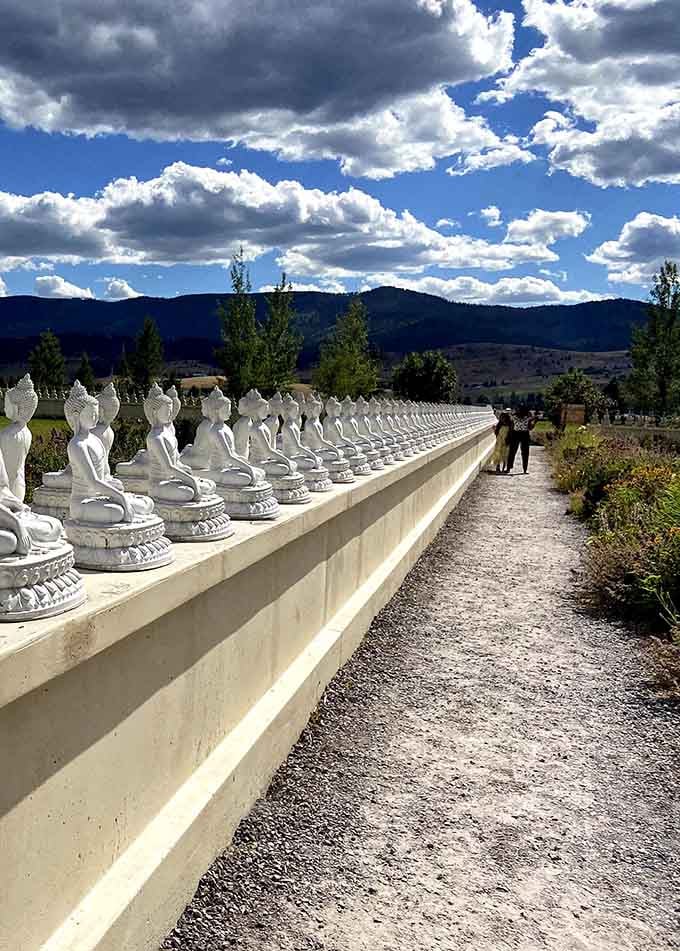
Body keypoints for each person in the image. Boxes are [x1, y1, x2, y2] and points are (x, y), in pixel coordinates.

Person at [507, 405, 536, 474]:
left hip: (515, 434)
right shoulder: (528, 418)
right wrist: (534, 422)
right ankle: (525, 469)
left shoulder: (514, 417)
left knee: (512, 452)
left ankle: (508, 468)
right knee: (525, 453)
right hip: (524, 434)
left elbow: (511, 427)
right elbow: (530, 428)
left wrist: (509, 435)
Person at [490, 409, 513, 473]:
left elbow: (511, 433)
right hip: (500, 441)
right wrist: (494, 429)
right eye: (501, 417)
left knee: (505, 454)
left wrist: (508, 440)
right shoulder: (500, 424)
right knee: (499, 454)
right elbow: (496, 433)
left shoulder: (509, 424)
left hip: (506, 441)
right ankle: (498, 468)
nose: (502, 419)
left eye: (503, 417)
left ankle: (503, 468)